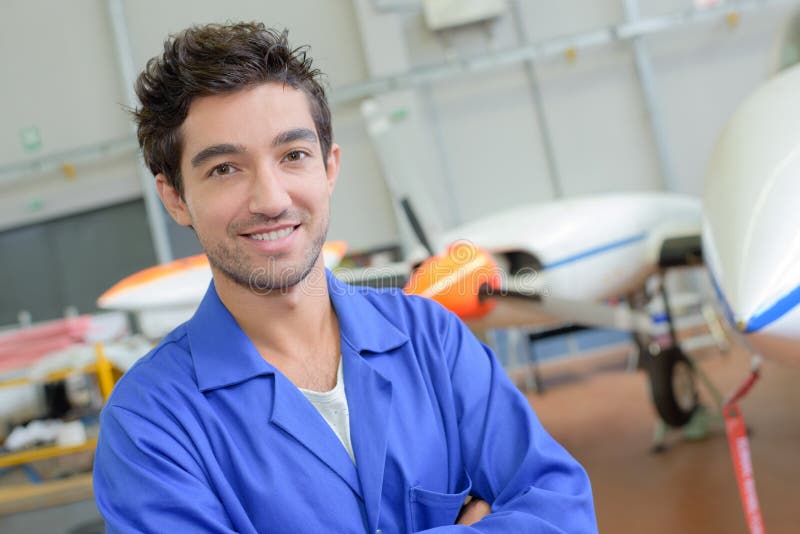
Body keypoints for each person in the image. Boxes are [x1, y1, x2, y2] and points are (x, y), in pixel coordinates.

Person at [93, 21, 597, 533]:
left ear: (329, 168)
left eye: (293, 156)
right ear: (176, 197)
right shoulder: (150, 425)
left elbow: (563, 510)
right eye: (225, 168)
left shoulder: (430, 340)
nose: (271, 199)